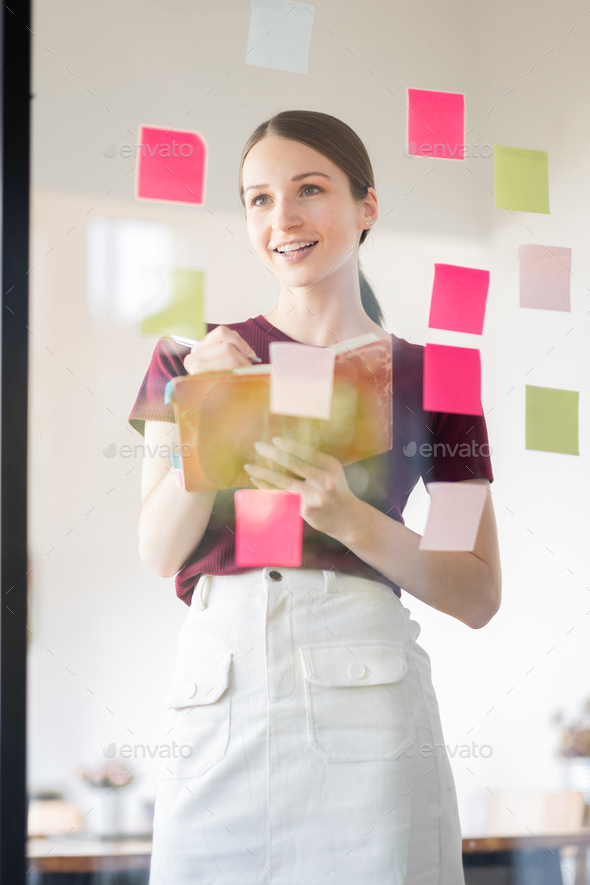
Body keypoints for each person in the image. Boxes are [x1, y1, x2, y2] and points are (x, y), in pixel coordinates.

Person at [128, 109, 501, 885]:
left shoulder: (440, 379)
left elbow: (475, 588)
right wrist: (207, 403)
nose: (284, 219)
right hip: (218, 699)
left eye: (309, 189)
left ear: (367, 206)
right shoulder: (184, 359)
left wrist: (350, 519)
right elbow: (158, 550)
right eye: (258, 198)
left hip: (370, 707)